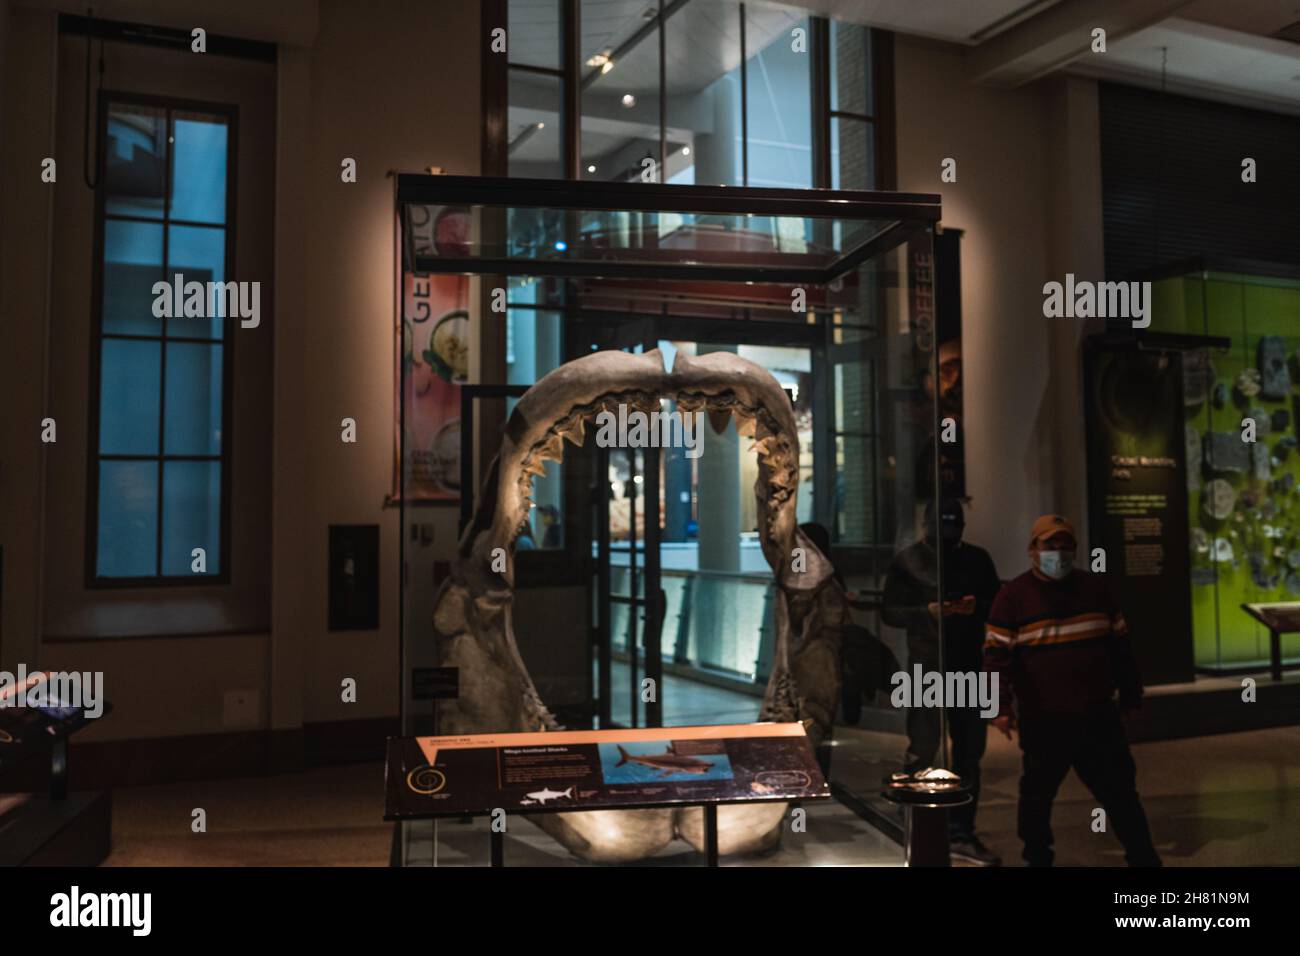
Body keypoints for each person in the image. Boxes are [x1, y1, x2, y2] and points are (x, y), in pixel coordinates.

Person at [984, 513, 1161, 867]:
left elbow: (1121, 649)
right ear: (1032, 549)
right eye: (1050, 545)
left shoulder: (1096, 590)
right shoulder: (1013, 597)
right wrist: (999, 708)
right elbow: (995, 658)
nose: (1059, 552)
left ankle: (1144, 861)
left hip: (1097, 716)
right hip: (1044, 719)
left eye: (1066, 545)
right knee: (1036, 798)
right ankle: (1037, 860)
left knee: (1121, 795)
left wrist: (1131, 695)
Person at [883, 497, 1003, 866]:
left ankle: (961, 832)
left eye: (953, 530)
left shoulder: (977, 558)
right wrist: (927, 613)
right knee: (923, 747)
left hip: (967, 664)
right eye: (942, 531)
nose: (948, 538)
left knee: (969, 753)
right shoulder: (908, 560)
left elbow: (997, 604)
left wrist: (974, 608)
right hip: (927, 665)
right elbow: (890, 612)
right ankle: (918, 825)